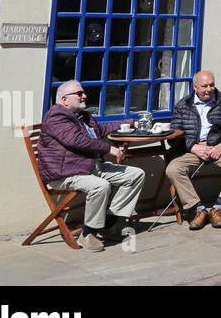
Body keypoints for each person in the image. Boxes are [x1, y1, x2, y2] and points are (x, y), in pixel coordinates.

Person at [37, 80, 146, 252]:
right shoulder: (57, 116)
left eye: (83, 92)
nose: (84, 96)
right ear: (64, 100)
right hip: (65, 173)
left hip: (88, 167)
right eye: (79, 94)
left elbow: (100, 130)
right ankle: (88, 233)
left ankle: (110, 221)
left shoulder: (83, 116)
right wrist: (109, 148)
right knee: (100, 186)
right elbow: (76, 141)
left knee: (135, 174)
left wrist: (129, 122)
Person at [166, 71, 221, 230]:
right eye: (204, 86)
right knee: (173, 169)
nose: (209, 89)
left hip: (217, 147)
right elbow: (174, 135)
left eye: (211, 85)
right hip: (192, 149)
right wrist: (193, 147)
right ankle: (199, 210)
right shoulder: (183, 105)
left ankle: (217, 208)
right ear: (195, 87)